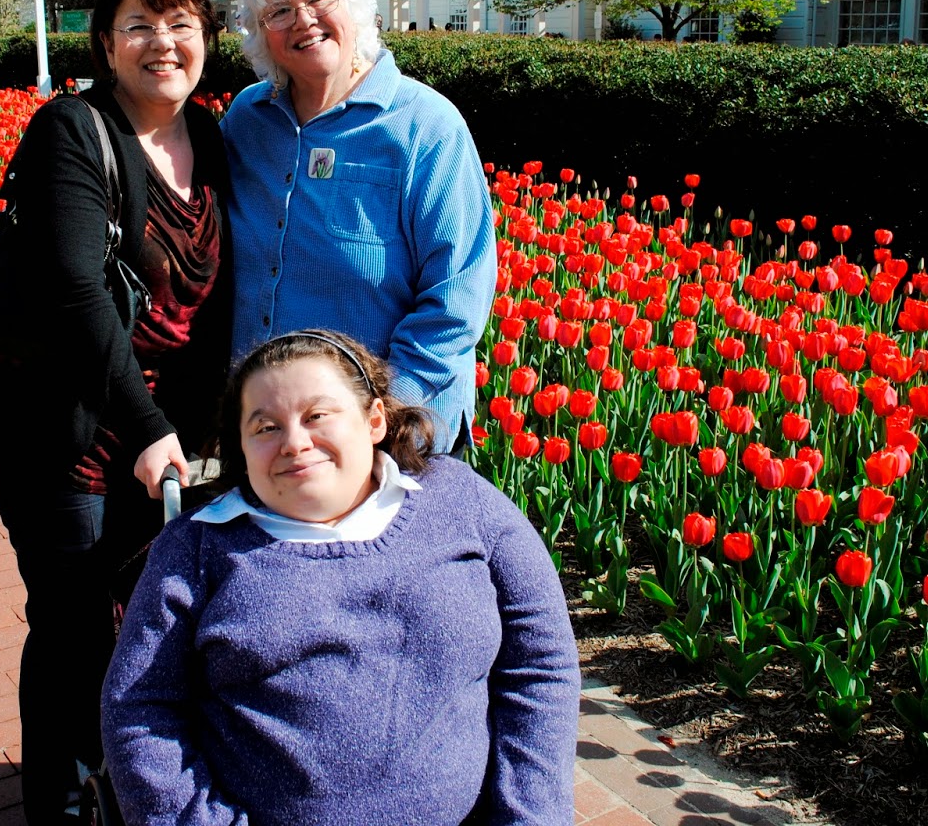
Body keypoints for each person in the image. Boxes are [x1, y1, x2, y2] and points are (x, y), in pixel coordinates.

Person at [101, 330, 580, 826]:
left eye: (316, 416)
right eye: (266, 427)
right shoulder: (197, 547)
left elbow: (540, 664)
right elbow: (138, 708)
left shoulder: (461, 500)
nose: (294, 442)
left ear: (374, 420)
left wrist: (529, 814)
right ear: (240, 447)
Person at [0, 0, 231, 819]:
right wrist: (149, 423)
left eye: (182, 24)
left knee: (148, 620)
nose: (164, 42)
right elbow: (75, 292)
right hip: (71, 429)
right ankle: (59, 800)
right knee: (75, 628)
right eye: (140, 25)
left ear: (206, 39)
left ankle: (121, 786)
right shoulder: (72, 130)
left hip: (170, 439)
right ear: (106, 43)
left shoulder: (213, 136)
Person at [222, 0, 497, 452]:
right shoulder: (248, 119)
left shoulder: (424, 125)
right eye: (278, 12)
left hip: (393, 430)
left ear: (354, 7)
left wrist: (381, 411)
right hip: (274, 428)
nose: (303, 20)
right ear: (260, 35)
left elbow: (457, 296)